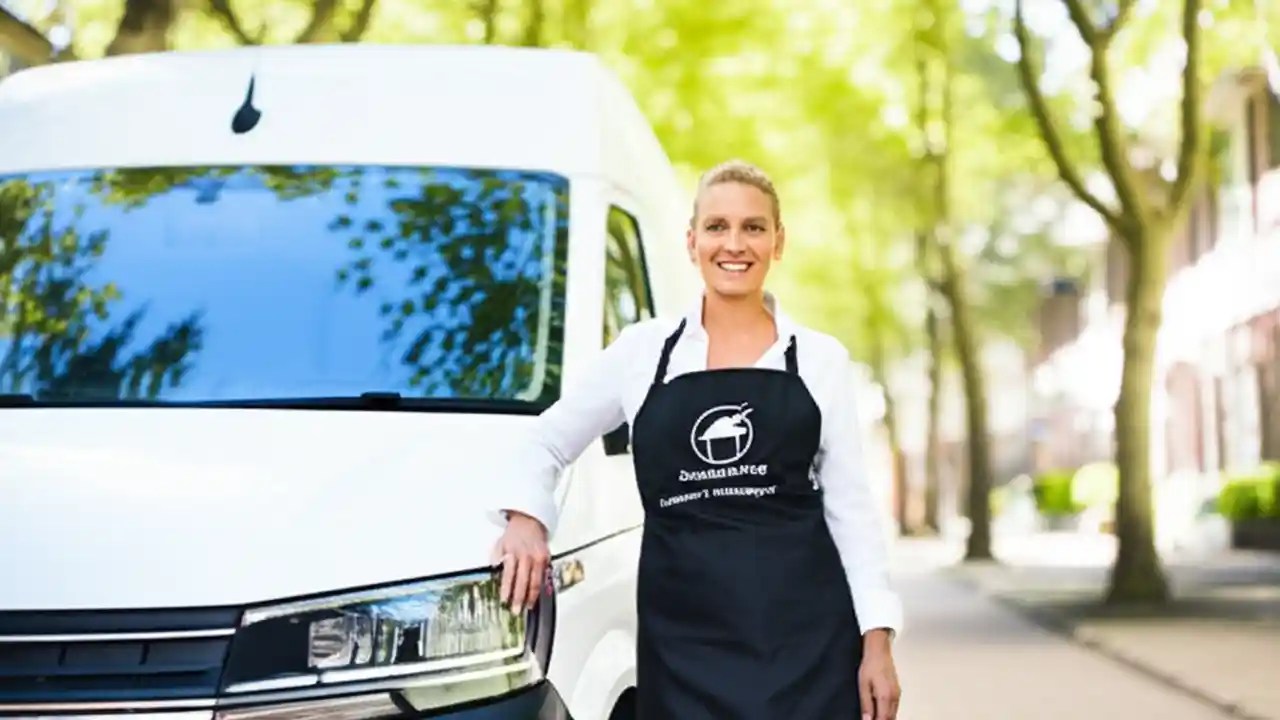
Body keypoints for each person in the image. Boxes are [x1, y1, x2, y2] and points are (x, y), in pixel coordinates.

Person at [490, 159, 903, 720]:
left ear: (778, 242)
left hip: (808, 646)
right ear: (691, 242)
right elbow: (546, 440)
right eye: (717, 226)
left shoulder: (819, 360)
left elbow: (852, 513)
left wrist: (877, 642)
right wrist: (526, 520)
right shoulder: (642, 354)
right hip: (683, 648)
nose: (735, 243)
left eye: (754, 227)